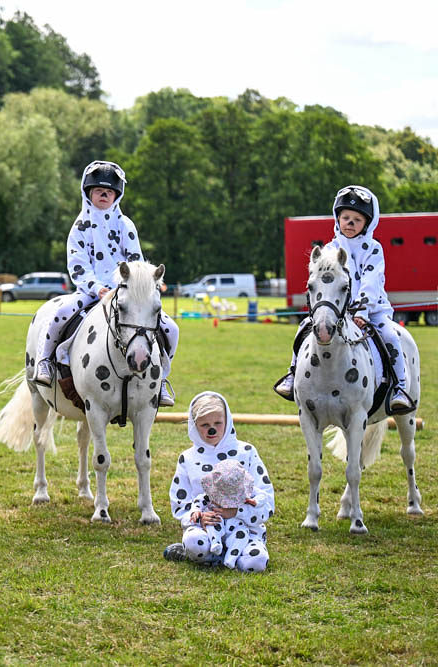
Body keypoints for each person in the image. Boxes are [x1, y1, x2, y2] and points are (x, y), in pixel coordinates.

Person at [32, 161, 178, 406]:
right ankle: (44, 361)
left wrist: (131, 288)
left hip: (126, 293)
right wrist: (96, 288)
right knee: (59, 313)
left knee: (171, 328)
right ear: (87, 193)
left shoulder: (126, 225)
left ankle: (161, 378)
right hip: (90, 292)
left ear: (116, 196)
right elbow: (77, 265)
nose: (104, 194)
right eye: (98, 190)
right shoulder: (79, 227)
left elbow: (136, 262)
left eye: (109, 191)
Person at [273, 185, 415, 414]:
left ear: (367, 223)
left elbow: (370, 280)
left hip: (371, 311)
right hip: (335, 311)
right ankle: (292, 374)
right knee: (303, 328)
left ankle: (399, 388)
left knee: (390, 337)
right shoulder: (330, 248)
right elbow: (319, 278)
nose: (349, 223)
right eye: (345, 217)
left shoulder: (373, 249)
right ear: (337, 218)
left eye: (356, 219)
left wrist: (362, 311)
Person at [164, 392, 274, 572]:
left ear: (227, 420)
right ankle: (206, 553)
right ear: (194, 425)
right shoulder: (187, 458)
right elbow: (180, 504)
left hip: (244, 530)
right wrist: (199, 520)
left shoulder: (246, 452)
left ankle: (225, 557)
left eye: (217, 423)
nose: (212, 430)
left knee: (257, 562)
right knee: (194, 542)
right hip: (206, 531)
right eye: (205, 425)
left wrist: (237, 512)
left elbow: (267, 500)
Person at [191, 459, 257, 569]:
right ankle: (215, 543)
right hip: (217, 520)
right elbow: (199, 500)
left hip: (236, 527)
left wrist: (250, 505)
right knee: (213, 521)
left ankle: (231, 558)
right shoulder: (209, 496)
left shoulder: (246, 496)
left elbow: (259, 506)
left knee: (242, 534)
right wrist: (196, 511)